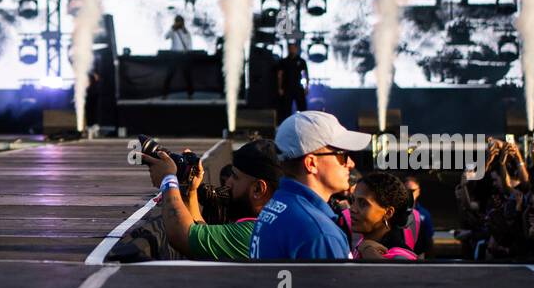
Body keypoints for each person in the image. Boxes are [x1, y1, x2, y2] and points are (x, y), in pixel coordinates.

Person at [250, 111, 371, 260]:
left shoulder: (277, 206)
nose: (351, 163)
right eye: (342, 155)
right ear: (311, 163)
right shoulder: (320, 233)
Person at [146, 140, 282, 261]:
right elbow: (203, 232)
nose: (227, 183)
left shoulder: (255, 234)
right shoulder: (274, 222)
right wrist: (191, 191)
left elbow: (182, 235)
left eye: (235, 177)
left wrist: (168, 179)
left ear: (258, 189)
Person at [343, 172, 419, 260]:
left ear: (388, 213)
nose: (352, 209)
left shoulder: (400, 258)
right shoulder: (364, 244)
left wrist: (370, 253)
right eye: (352, 200)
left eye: (363, 203)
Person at [161, 15, 195, 98]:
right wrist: (172, 28)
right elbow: (166, 37)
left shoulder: (186, 32)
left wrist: (188, 52)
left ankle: (190, 94)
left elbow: (189, 44)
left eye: (180, 21)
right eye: (177, 21)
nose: (179, 23)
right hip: (174, 55)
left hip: (184, 55)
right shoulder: (173, 31)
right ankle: (165, 94)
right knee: (170, 75)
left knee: (187, 75)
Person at [403, 174, 435, 257]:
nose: (410, 193)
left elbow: (429, 239)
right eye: (407, 190)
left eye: (413, 190)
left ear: (418, 191)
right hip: (399, 254)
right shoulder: (394, 211)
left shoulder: (424, 214)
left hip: (419, 255)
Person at [275, 40, 309, 116]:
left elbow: (305, 74)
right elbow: (279, 75)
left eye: (293, 48)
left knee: (302, 107)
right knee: (286, 108)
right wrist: (280, 88)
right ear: (288, 49)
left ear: (296, 49)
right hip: (287, 87)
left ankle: (303, 123)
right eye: (290, 48)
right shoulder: (284, 61)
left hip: (298, 87)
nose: (292, 50)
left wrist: (306, 87)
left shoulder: (301, 61)